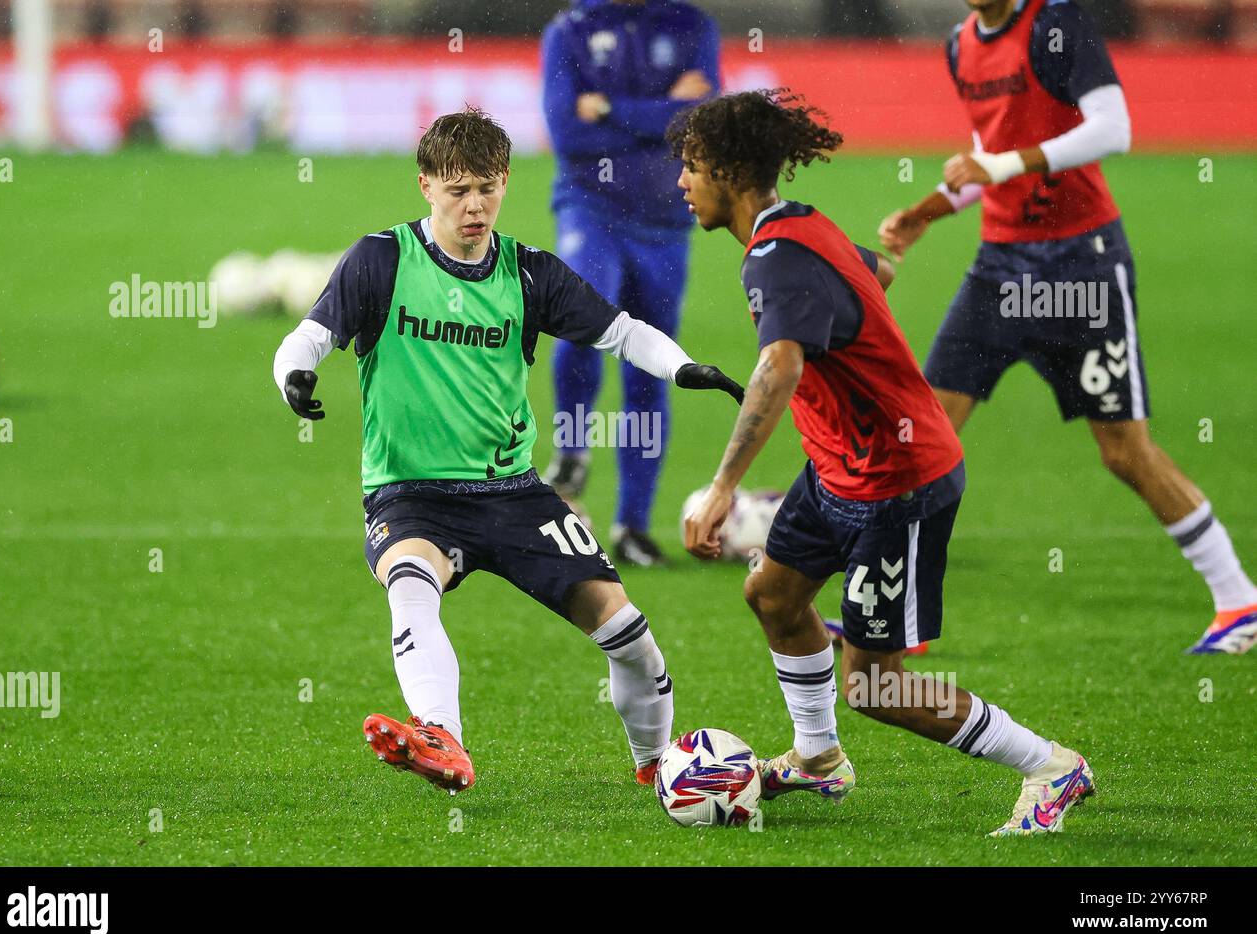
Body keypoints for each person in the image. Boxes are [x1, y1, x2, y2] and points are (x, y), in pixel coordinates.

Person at [272, 108, 743, 793]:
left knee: (631, 637)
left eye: (487, 188)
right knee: (410, 586)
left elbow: (621, 332)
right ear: (426, 185)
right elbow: (309, 335)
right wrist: (295, 374)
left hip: (514, 494)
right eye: (459, 189)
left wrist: (683, 368)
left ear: (506, 183)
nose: (475, 205)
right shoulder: (382, 259)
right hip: (412, 494)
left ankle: (657, 766)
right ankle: (441, 737)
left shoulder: (527, 274)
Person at [675, 90, 1094, 835]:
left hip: (897, 484)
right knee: (772, 595)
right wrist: (889, 258)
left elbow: (778, 366)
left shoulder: (774, 258)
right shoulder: (801, 226)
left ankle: (1050, 766)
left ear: (731, 173)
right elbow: (877, 276)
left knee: (878, 689)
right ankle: (818, 758)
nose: (683, 181)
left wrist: (722, 488)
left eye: (692, 166)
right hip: (837, 468)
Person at [878, 0, 1256, 655]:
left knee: (1124, 453)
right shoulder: (959, 45)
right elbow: (987, 154)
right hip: (999, 266)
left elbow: (1113, 127)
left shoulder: (1056, 23)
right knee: (924, 433)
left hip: (1082, 263)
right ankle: (896, 620)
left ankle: (1238, 600)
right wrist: (930, 210)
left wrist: (1001, 166)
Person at [540, 0, 720, 565]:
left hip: (666, 224)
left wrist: (611, 110)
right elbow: (568, 134)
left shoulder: (692, 27)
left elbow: (704, 125)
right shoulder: (569, 32)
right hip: (590, 210)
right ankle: (572, 449)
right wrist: (665, 111)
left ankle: (633, 527)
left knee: (652, 366)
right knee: (581, 323)